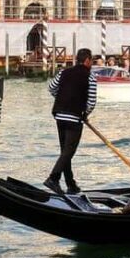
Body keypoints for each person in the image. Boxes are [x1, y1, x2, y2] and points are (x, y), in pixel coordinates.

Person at [45, 48, 97, 195]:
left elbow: (51, 88)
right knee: (69, 151)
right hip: (74, 117)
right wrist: (85, 114)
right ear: (87, 60)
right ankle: (53, 179)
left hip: (59, 115)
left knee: (65, 152)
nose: (91, 63)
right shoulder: (90, 77)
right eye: (91, 60)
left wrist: (62, 99)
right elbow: (91, 102)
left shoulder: (63, 72)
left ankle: (71, 185)